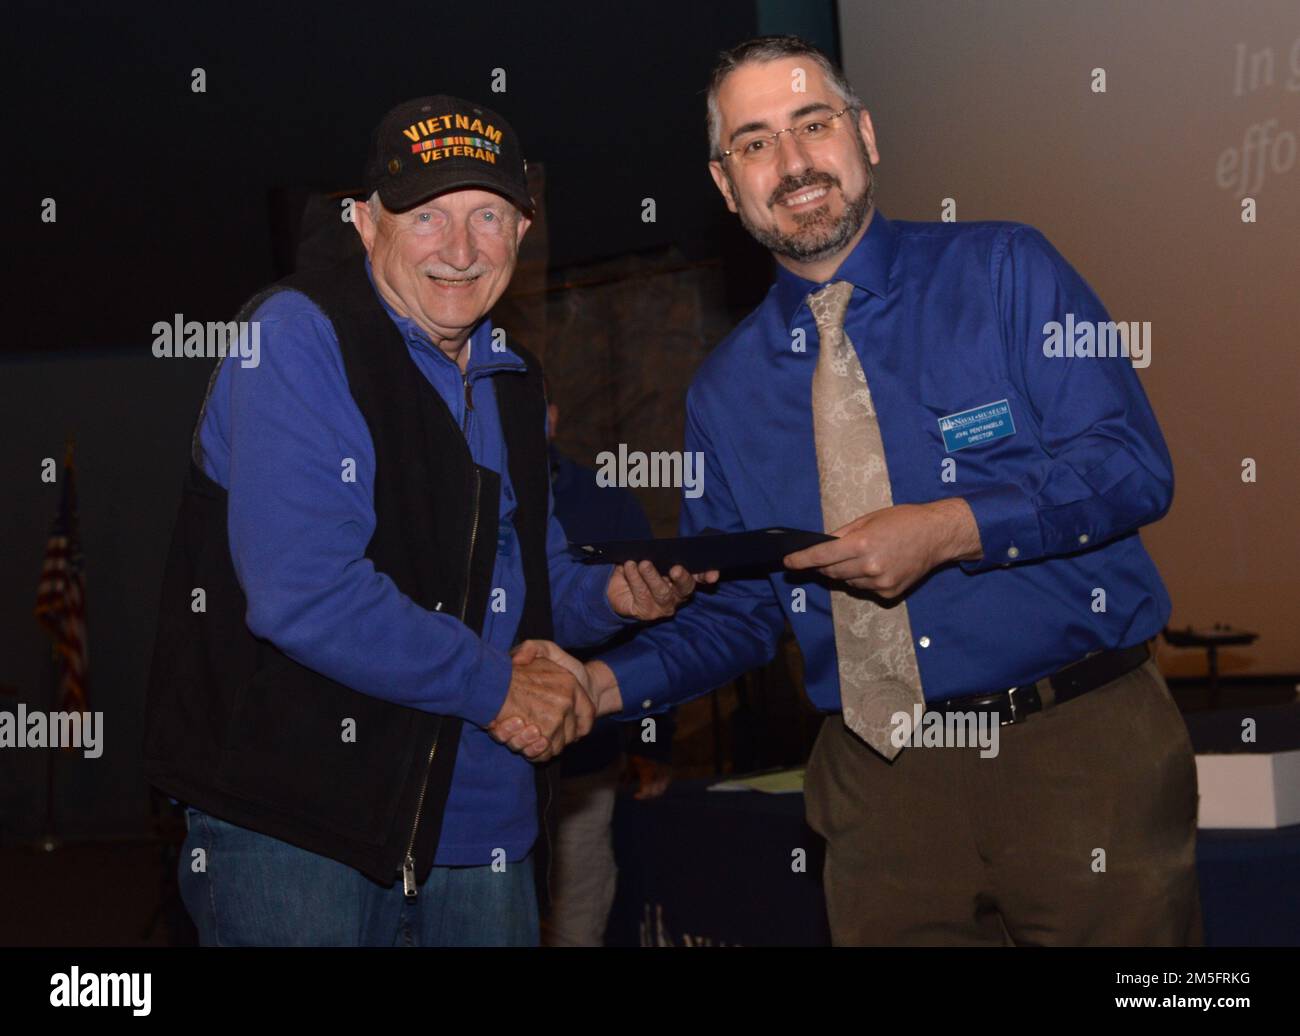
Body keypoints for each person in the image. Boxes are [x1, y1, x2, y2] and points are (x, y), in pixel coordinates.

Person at [520, 36, 1200, 946]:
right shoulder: (725, 392)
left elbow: (1129, 466)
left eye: (813, 124)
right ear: (726, 186)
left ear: (865, 136)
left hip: (1079, 749)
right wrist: (600, 687)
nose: (794, 162)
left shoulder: (1005, 271)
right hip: (880, 787)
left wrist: (953, 528)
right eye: (755, 143)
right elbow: (746, 615)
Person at [142, 94, 711, 947]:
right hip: (301, 827)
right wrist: (503, 687)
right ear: (367, 225)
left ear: (521, 230)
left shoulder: (515, 383)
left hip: (483, 831)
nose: (459, 248)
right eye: (426, 215)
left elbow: (529, 579)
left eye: (487, 214)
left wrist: (614, 599)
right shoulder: (298, 337)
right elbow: (306, 593)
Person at [542, 393, 675, 947]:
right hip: (470, 764)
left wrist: (655, 739)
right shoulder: (447, 491)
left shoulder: (604, 500)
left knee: (577, 910)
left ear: (552, 413)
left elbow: (653, 624)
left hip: (585, 756)